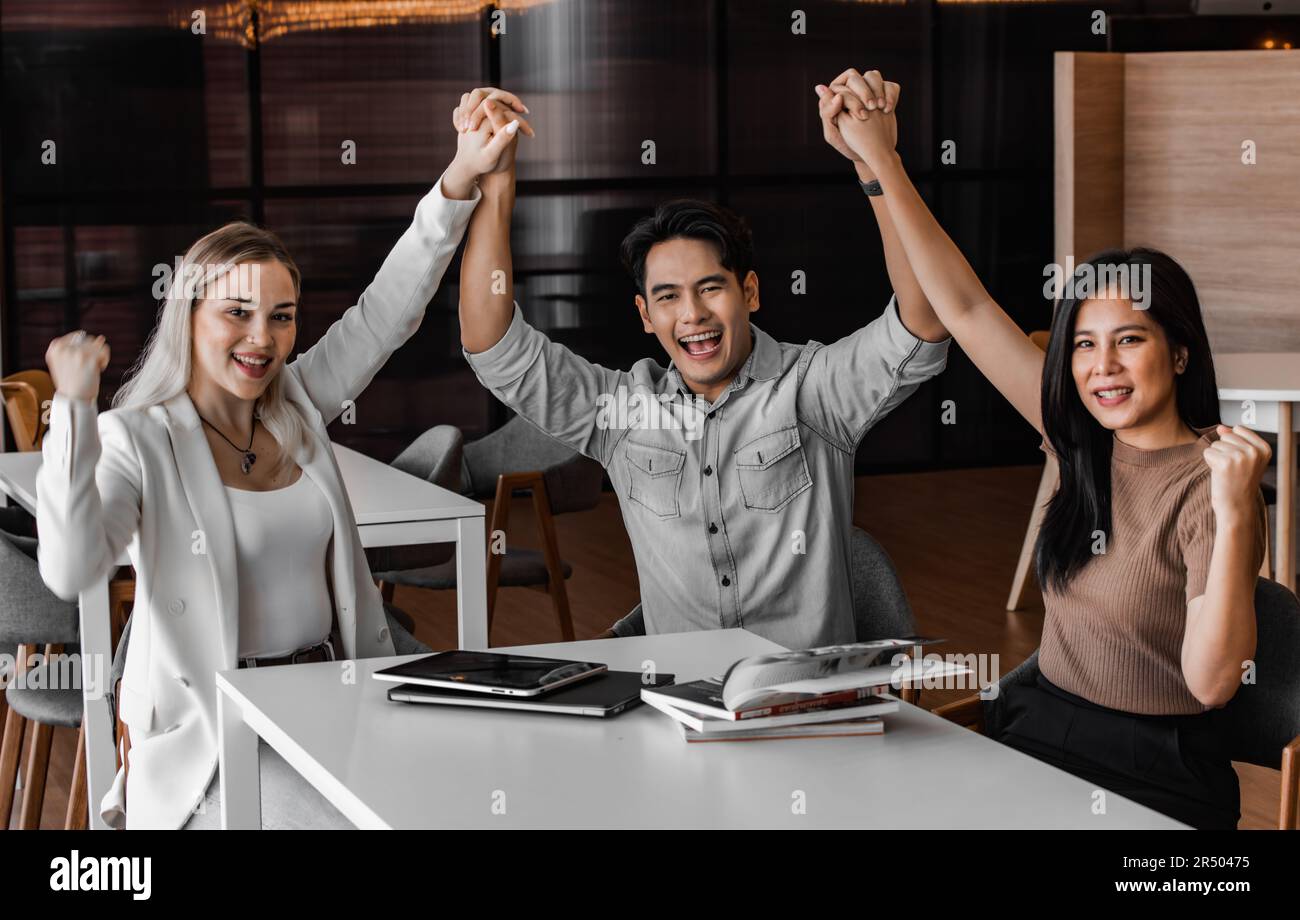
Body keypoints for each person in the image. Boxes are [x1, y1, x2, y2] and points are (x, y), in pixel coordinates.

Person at [34, 100, 526, 829]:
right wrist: (72, 411)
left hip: (336, 700)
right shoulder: (137, 438)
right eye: (237, 312)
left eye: (282, 315)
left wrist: (462, 173)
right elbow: (73, 571)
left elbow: (388, 310)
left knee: (481, 800)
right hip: (220, 742)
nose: (261, 338)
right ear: (190, 314)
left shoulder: (295, 404)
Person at [821, 71, 1270, 828]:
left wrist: (1233, 514)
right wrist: (877, 167)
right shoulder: (1076, 435)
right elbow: (962, 307)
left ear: (1181, 353)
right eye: (1085, 345)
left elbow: (1212, 682)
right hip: (1035, 731)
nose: (1102, 368)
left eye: (1130, 341)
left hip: (1156, 773)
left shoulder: (1211, 487)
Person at [451, 78, 950, 650]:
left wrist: (877, 166)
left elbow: (924, 321)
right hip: (678, 715)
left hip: (805, 714)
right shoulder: (624, 413)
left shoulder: (812, 392)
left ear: (751, 292)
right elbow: (494, 348)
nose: (692, 315)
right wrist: (495, 187)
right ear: (645, 314)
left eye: (711, 289)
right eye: (667, 298)